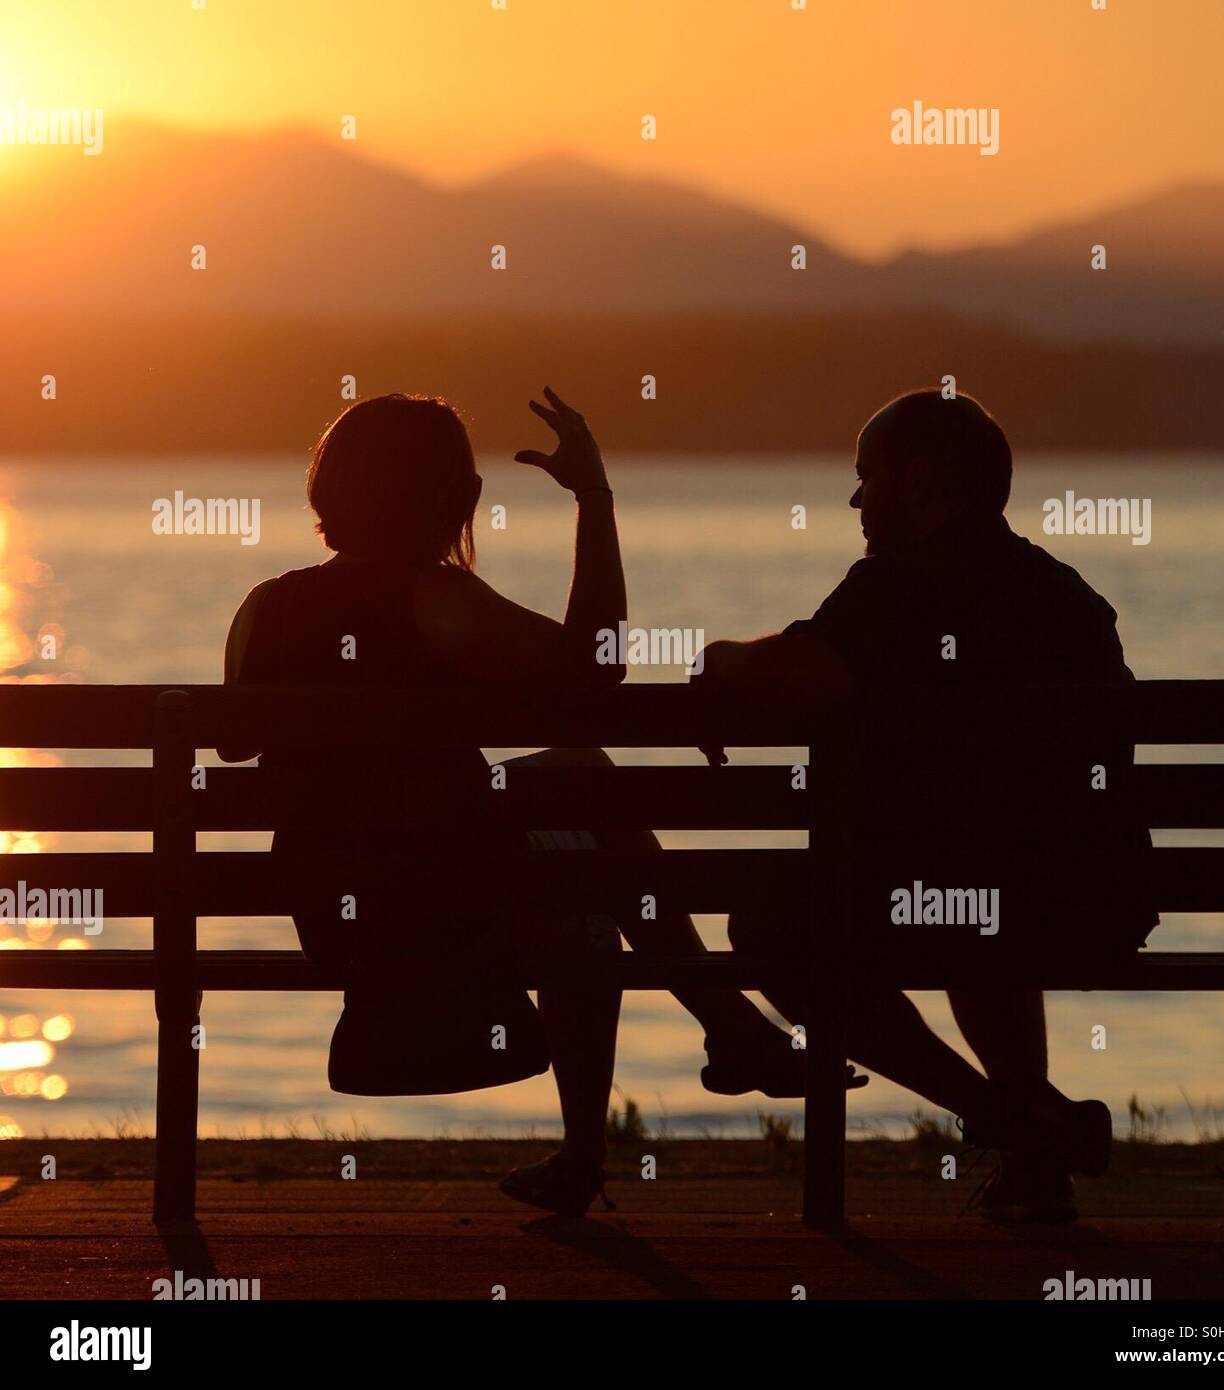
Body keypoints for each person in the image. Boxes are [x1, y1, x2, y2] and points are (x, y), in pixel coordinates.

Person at [218, 389, 855, 1219]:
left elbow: (231, 743)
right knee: (586, 861)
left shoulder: (265, 605)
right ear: (459, 498)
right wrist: (594, 499)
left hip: (330, 910)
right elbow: (597, 668)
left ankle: (706, 1054)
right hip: (431, 907)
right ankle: (709, 1046)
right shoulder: (436, 599)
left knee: (576, 805)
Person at [693, 388, 1158, 1222]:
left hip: (962, 897)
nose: (853, 499)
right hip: (1090, 901)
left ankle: (1004, 1118)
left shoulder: (898, 588)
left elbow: (808, 670)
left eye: (864, 478)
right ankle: (1033, 1151)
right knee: (979, 902)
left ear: (916, 481)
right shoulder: (1070, 597)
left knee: (773, 927)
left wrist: (720, 660)